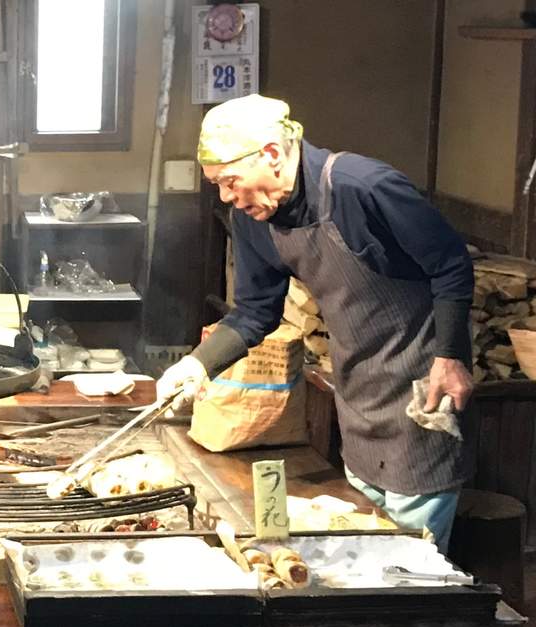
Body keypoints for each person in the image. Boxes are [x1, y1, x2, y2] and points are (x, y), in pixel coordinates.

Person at [157, 94, 474, 551]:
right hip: (357, 391)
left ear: (269, 154)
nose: (226, 197)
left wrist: (452, 357)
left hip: (423, 391)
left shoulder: (362, 187)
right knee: (360, 543)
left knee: (408, 562)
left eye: (230, 181)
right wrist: (197, 366)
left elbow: (451, 265)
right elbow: (254, 313)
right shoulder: (253, 219)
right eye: (217, 186)